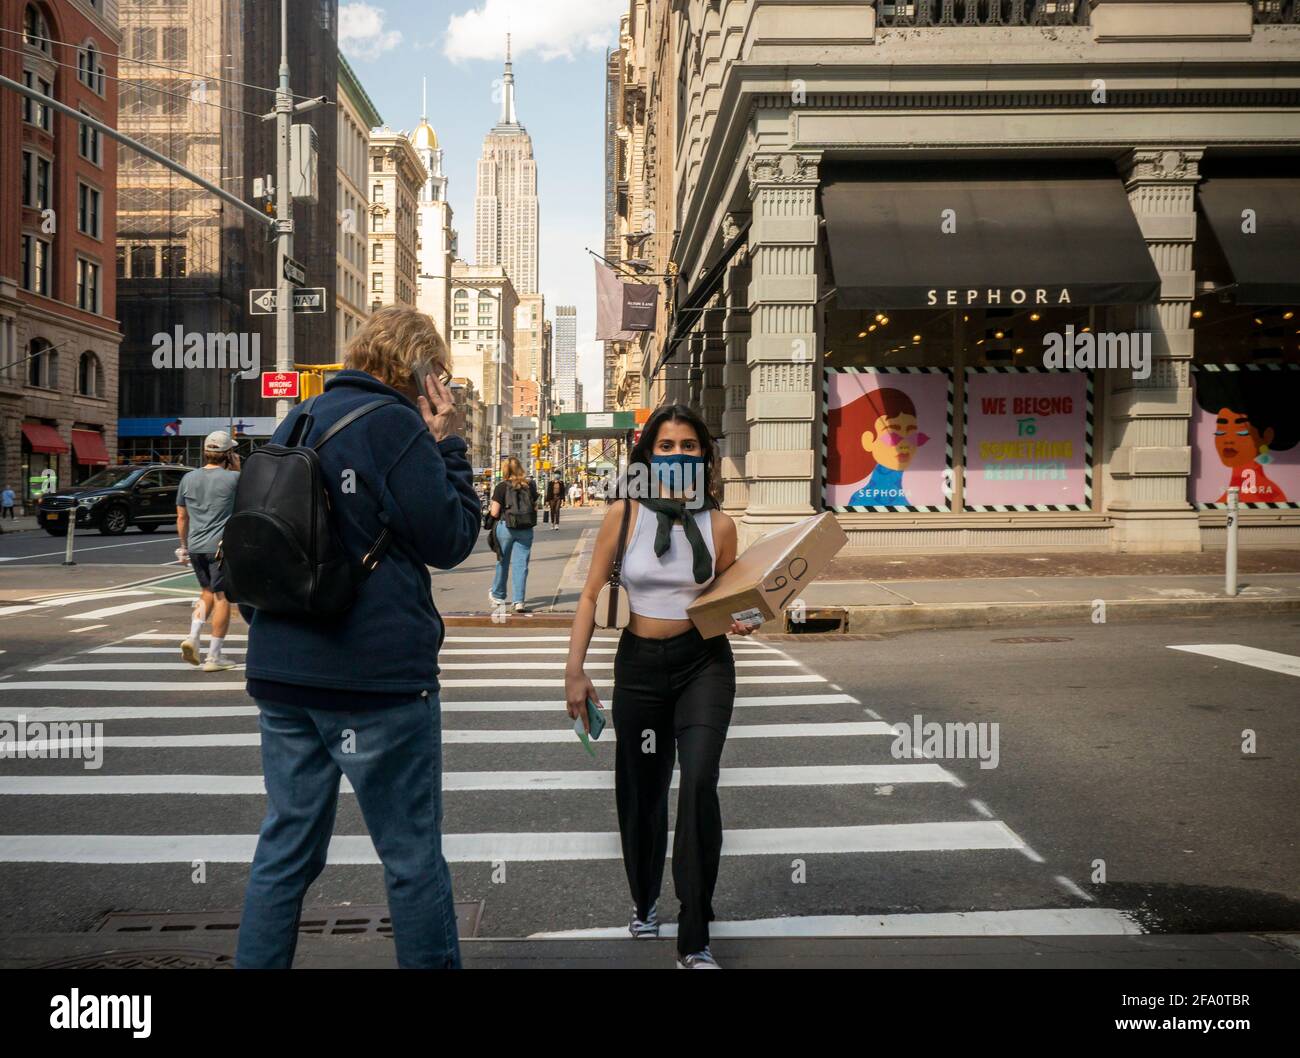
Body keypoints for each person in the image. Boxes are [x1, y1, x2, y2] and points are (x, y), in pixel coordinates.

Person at [235, 306, 480, 970]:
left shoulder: (301, 417)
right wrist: (448, 443)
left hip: (284, 675)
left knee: (286, 849)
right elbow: (451, 538)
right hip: (374, 680)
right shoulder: (395, 426)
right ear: (424, 370)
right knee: (409, 856)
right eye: (440, 373)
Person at [564, 403, 757, 970]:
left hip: (704, 666)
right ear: (647, 456)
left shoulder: (720, 525)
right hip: (641, 668)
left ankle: (694, 935)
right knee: (642, 791)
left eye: (688, 447)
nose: (677, 455)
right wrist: (574, 671)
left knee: (698, 781)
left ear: (704, 456)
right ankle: (645, 898)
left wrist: (742, 617)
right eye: (666, 447)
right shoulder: (624, 516)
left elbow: (726, 604)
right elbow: (588, 596)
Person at [176, 432, 241, 672]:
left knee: (206, 591)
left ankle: (193, 636)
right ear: (227, 455)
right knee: (222, 597)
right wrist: (237, 470)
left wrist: (183, 546)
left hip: (195, 546)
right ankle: (214, 656)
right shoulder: (234, 480)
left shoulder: (188, 479)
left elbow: (182, 516)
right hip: (220, 548)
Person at [486, 456, 538, 613]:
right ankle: (519, 601)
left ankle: (498, 594)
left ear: (505, 471)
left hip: (506, 527)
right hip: (525, 528)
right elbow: (535, 507)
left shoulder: (502, 487)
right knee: (521, 564)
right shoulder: (530, 486)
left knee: (503, 561)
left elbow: (494, 512)